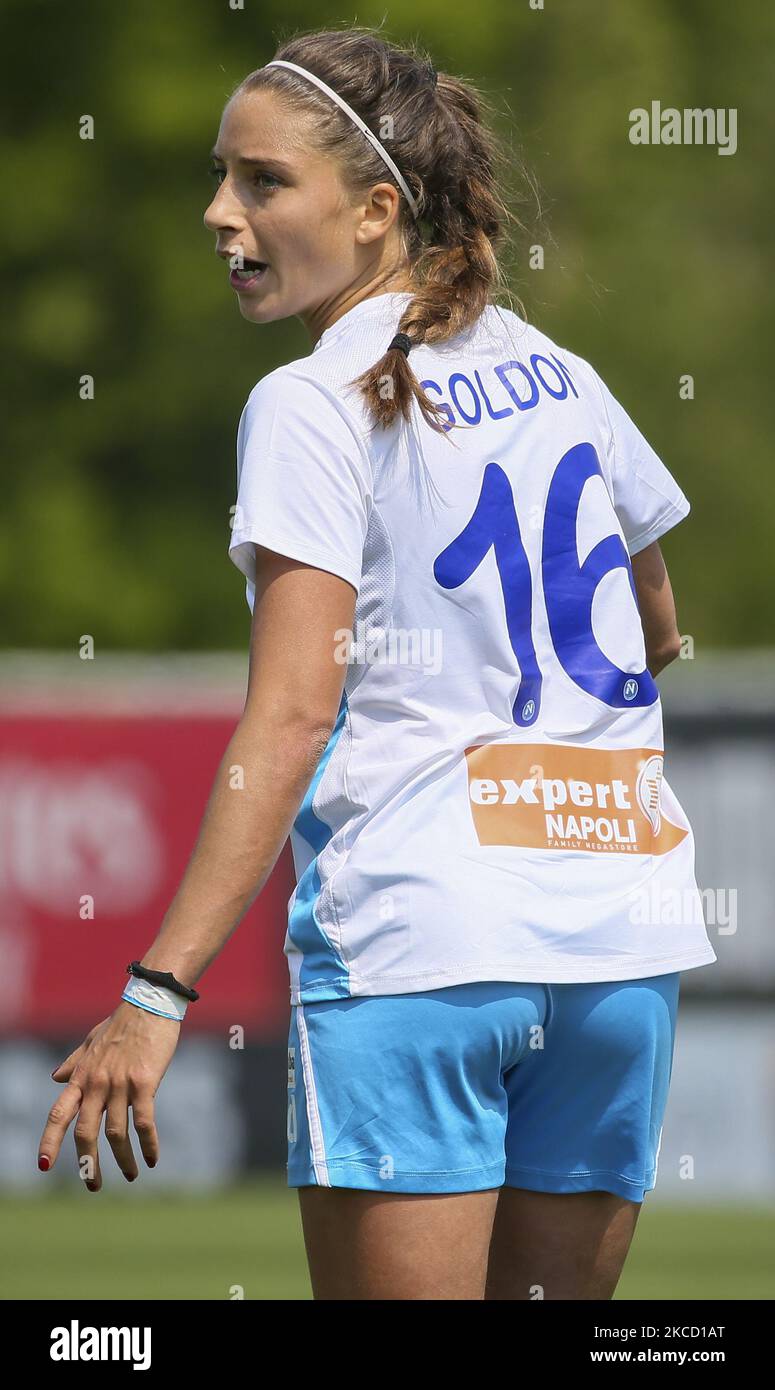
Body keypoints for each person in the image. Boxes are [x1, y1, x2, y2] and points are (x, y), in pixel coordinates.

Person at [38, 26, 717, 1301]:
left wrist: (155, 989)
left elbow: (291, 718)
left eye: (260, 181)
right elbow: (659, 628)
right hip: (618, 945)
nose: (218, 210)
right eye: (222, 177)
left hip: (425, 948)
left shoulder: (310, 399)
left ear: (375, 211)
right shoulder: (562, 372)